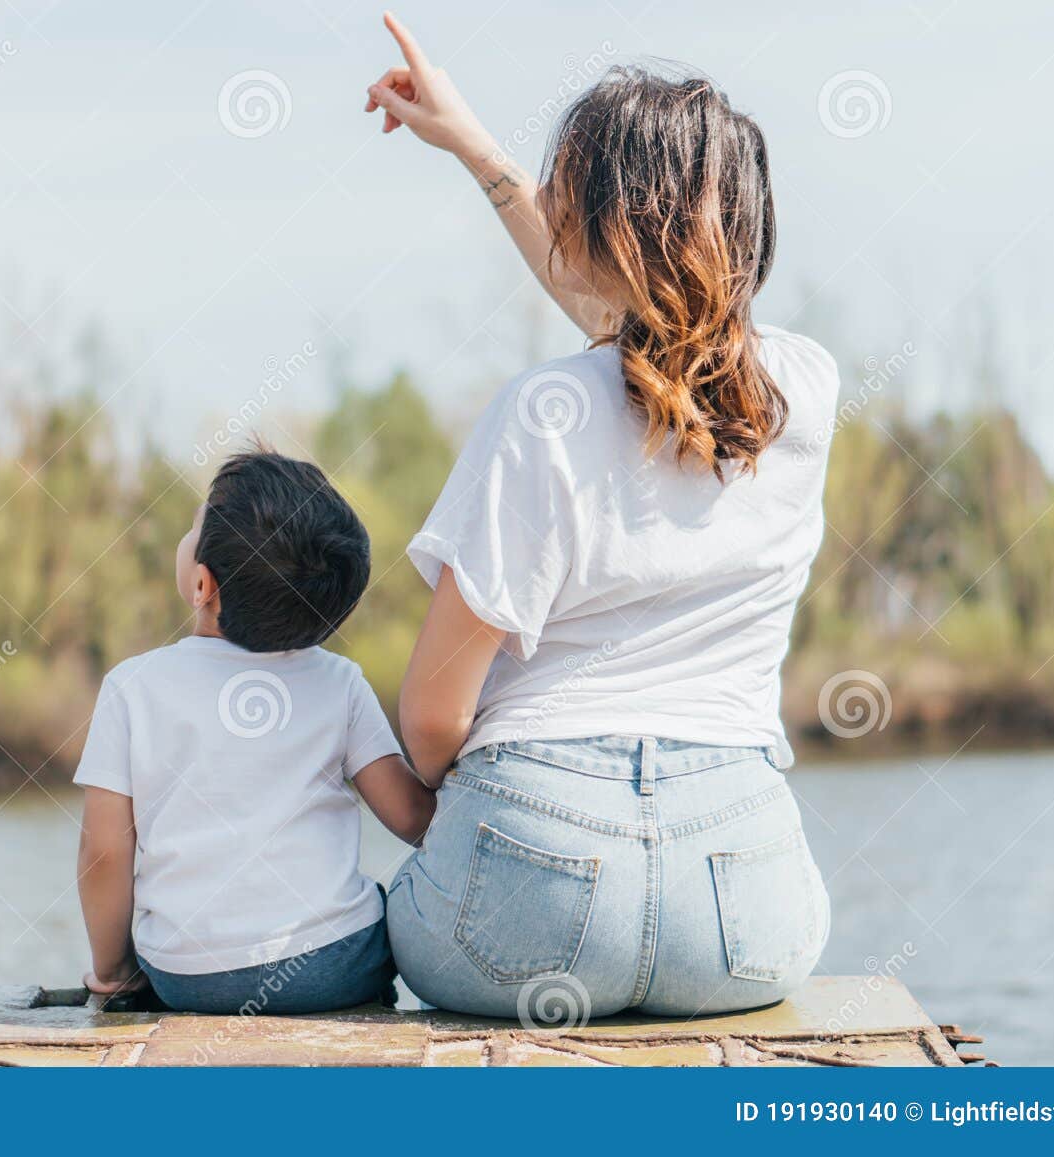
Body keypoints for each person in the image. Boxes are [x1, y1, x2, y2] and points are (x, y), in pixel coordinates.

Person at [366, 13, 838, 1019]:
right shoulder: (807, 389)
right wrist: (473, 147)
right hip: (742, 907)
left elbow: (433, 715)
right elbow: (639, 332)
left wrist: (477, 818)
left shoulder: (538, 412)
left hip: (531, 887)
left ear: (604, 230)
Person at [73, 446, 436, 1014]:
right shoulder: (339, 682)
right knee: (384, 909)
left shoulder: (133, 686)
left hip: (187, 975)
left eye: (194, 526)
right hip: (333, 964)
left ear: (201, 584)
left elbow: (104, 853)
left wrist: (113, 971)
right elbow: (413, 819)